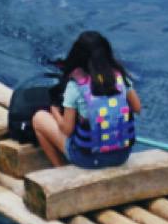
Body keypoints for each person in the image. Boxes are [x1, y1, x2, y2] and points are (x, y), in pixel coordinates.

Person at [29, 31, 142, 170]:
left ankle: (60, 169)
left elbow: (67, 130)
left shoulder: (75, 86)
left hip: (88, 159)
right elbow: (137, 108)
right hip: (122, 156)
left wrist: (55, 112)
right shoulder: (120, 78)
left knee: (38, 118)